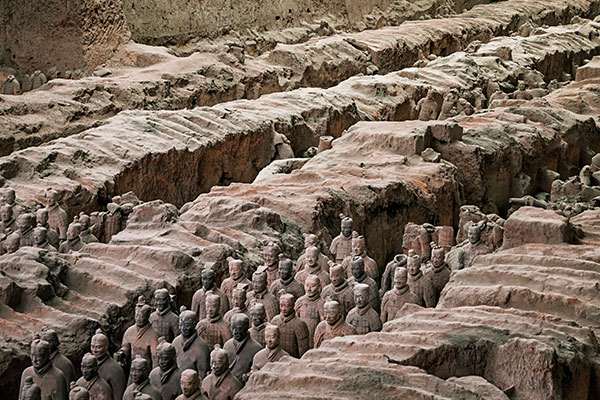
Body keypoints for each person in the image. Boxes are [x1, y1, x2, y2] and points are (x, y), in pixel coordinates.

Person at [222, 313, 262, 383]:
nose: (235, 332)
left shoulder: (256, 349)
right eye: (232, 328)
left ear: (246, 328)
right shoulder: (227, 345)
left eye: (239, 328)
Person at [172, 307, 210, 378]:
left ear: (195, 324)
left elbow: (202, 375)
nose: (183, 328)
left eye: (187, 325)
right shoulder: (175, 342)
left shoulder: (202, 347)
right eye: (181, 325)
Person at [269, 294, 309, 358]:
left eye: (287, 306)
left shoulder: (300, 324)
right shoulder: (275, 321)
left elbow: (303, 351)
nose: (284, 309)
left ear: (293, 306)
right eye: (281, 306)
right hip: (276, 360)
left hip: (293, 361)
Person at [90, 329, 126, 400]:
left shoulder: (115, 369)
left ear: (106, 347)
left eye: (98, 347)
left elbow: (118, 396)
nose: (94, 350)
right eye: (92, 347)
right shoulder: (88, 364)